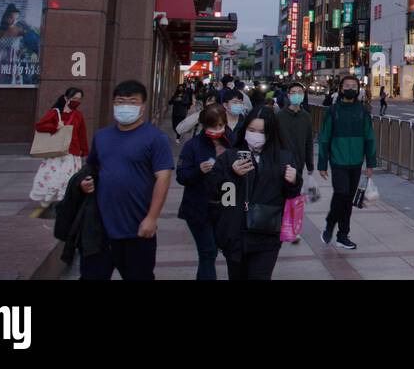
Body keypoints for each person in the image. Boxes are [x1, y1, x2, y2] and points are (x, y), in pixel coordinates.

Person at [78, 80, 174, 281]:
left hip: (137, 229)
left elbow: (163, 178)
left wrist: (152, 218)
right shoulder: (102, 136)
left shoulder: (155, 138)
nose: (125, 107)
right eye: (121, 101)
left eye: (132, 102)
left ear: (142, 106)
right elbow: (92, 168)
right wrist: (85, 183)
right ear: (113, 104)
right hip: (100, 229)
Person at [211, 107, 300, 280]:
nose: (256, 135)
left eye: (262, 131)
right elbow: (214, 190)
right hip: (235, 233)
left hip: (267, 234)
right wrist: (232, 174)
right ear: (244, 130)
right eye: (251, 130)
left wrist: (294, 181)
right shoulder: (230, 157)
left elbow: (291, 195)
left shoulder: (283, 157)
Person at [318, 75, 377, 250]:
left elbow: (369, 137)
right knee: (341, 193)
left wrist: (370, 163)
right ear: (341, 89)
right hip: (338, 160)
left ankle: (343, 235)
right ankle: (330, 223)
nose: (350, 88)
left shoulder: (363, 110)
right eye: (347, 85)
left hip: (356, 161)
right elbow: (324, 138)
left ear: (358, 89)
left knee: (348, 199)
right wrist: (322, 163)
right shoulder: (333, 111)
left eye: (354, 85)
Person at [175, 104, 230, 280]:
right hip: (198, 208)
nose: (217, 130)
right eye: (213, 126)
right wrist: (199, 170)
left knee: (216, 250)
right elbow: (182, 176)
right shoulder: (193, 146)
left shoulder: (231, 140)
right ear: (204, 125)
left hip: (225, 206)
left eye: (221, 125)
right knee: (208, 251)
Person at [29, 87, 90, 206]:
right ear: (66, 98)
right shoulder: (55, 112)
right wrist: (54, 127)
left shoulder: (78, 115)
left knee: (68, 178)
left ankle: (64, 200)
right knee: (53, 177)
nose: (76, 101)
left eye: (79, 99)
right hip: (56, 153)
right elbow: (40, 126)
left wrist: (85, 151)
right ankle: (48, 199)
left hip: (72, 153)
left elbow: (82, 134)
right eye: (74, 98)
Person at [276, 83, 315, 245]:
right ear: (288, 95)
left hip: (298, 164)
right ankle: (278, 226)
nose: (297, 95)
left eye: (300, 92)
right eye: (293, 92)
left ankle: (293, 229)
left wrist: (310, 165)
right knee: (279, 197)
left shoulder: (306, 116)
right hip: (280, 163)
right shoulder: (279, 116)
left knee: (294, 198)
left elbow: (308, 142)